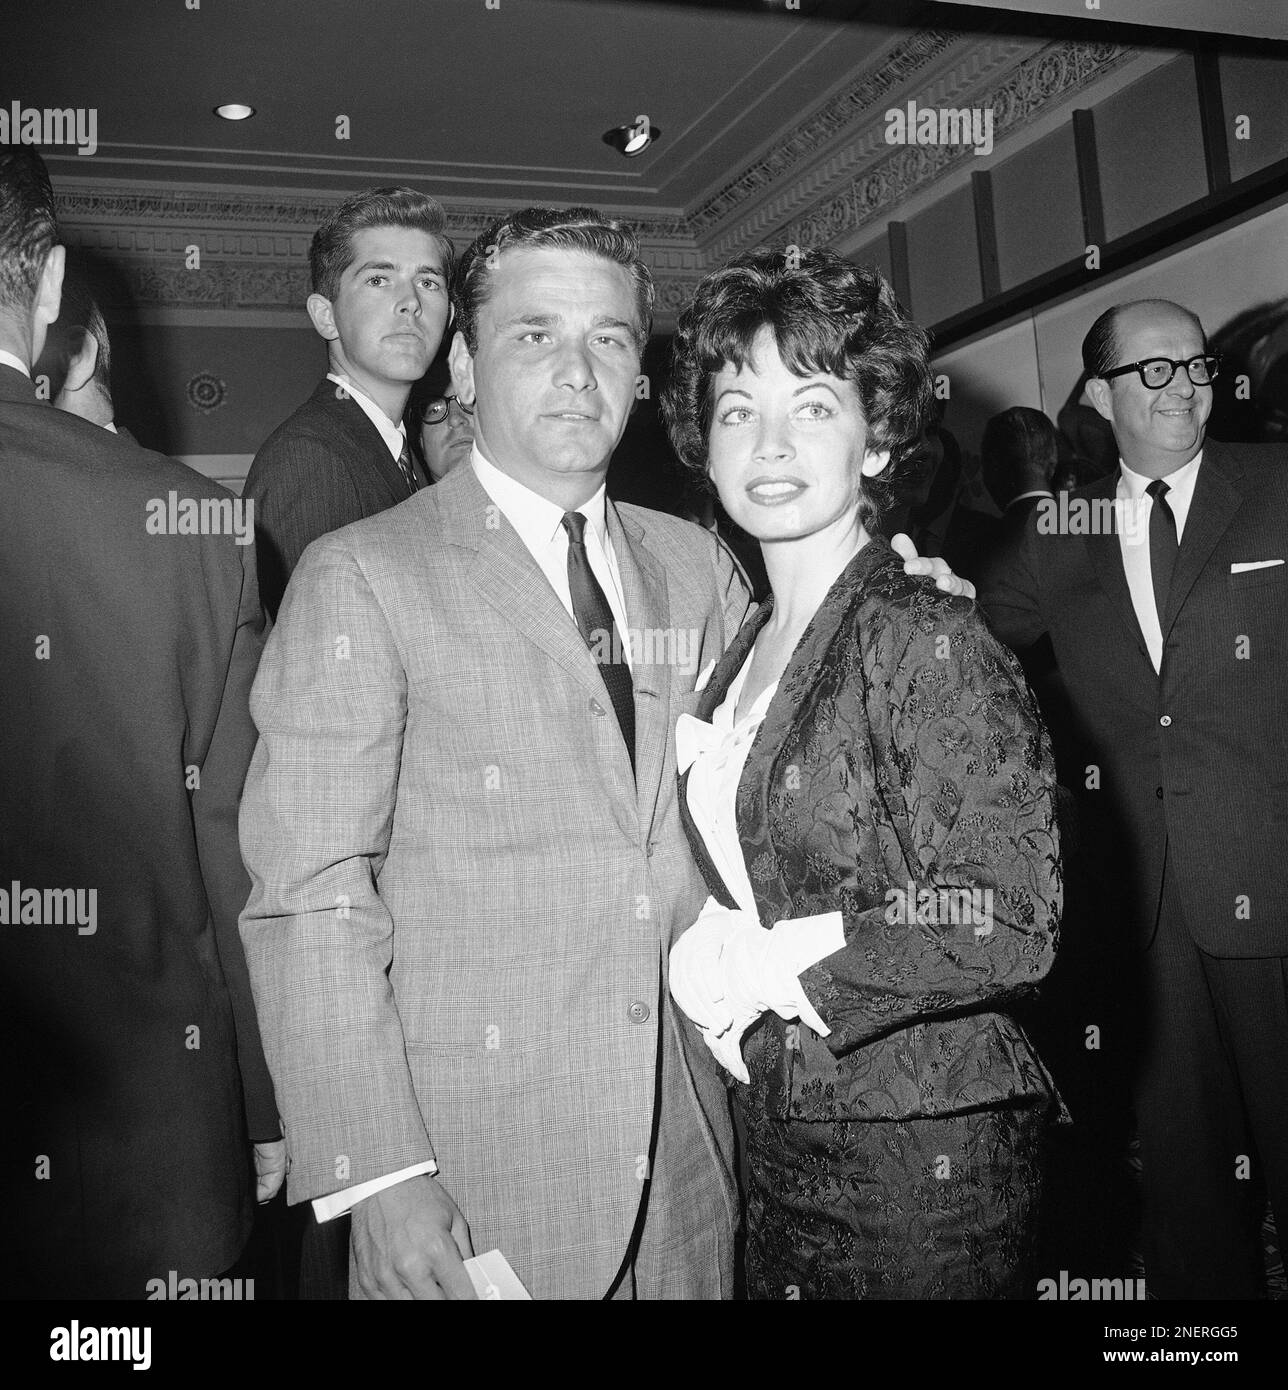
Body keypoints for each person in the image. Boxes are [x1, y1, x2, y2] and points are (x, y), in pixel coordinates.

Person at [660, 247, 1064, 1300]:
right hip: (777, 1129)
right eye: (738, 409)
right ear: (702, 444)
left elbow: (1008, 915)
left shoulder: (924, 632)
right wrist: (715, 931)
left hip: (918, 1157)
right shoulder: (735, 651)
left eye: (814, 403)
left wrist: (775, 967)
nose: (772, 441)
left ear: (878, 437)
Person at [0, 149, 283, 1298]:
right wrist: (263, 1100)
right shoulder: (197, 529)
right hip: (140, 1176)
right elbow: (234, 853)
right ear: (53, 282)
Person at [979, 298, 1288, 1299]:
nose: (1186, 385)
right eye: (1153, 371)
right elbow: (962, 646)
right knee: (1188, 1187)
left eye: (1194, 365)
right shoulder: (1058, 535)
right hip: (1142, 916)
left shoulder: (1275, 485)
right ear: (1099, 397)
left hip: (1273, 883)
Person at [242, 186, 453, 617]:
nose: (411, 302)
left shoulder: (402, 455)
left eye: (428, 282)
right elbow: (315, 665)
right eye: (379, 279)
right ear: (325, 315)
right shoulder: (311, 458)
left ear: (449, 317)